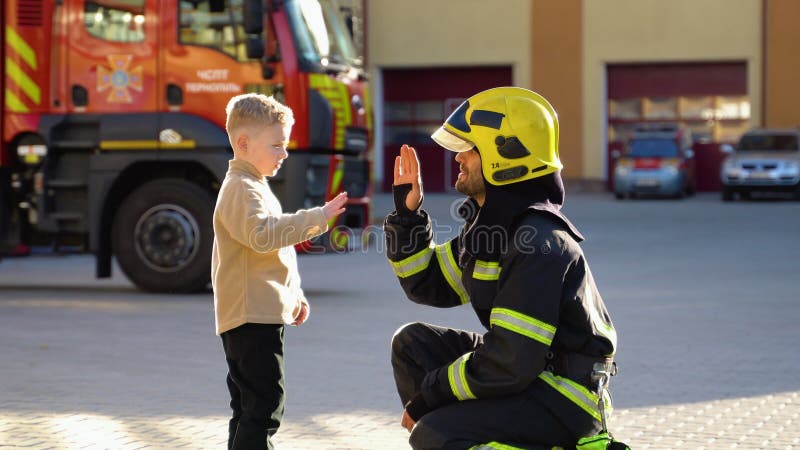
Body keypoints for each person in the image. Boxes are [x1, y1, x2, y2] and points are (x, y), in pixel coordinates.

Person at [385, 87, 620, 450]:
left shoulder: (540, 242)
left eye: (470, 148)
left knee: (435, 434)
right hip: (531, 369)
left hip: (566, 397)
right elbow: (427, 283)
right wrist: (407, 215)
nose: (459, 157)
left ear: (504, 154)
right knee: (413, 345)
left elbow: (510, 360)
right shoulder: (494, 229)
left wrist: (430, 398)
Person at [213, 93, 348, 450]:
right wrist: (318, 217)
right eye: (277, 145)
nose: (284, 153)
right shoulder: (242, 189)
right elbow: (264, 236)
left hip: (254, 313)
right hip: (251, 316)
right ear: (243, 144)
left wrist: (293, 298)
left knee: (248, 406)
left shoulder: (252, 186)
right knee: (265, 405)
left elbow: (274, 254)